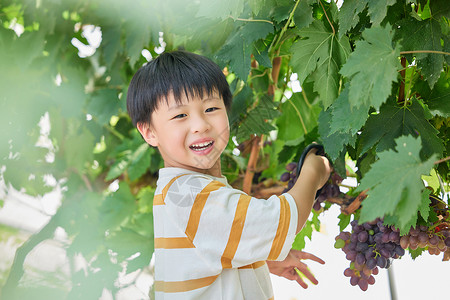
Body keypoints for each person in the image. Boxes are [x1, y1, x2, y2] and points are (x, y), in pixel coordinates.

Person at [127, 50, 332, 299]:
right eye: (180, 115)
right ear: (149, 132)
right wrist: (313, 171)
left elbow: (205, 254)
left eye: (211, 108)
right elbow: (277, 222)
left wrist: (257, 259)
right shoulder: (188, 194)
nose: (201, 124)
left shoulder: (184, 191)